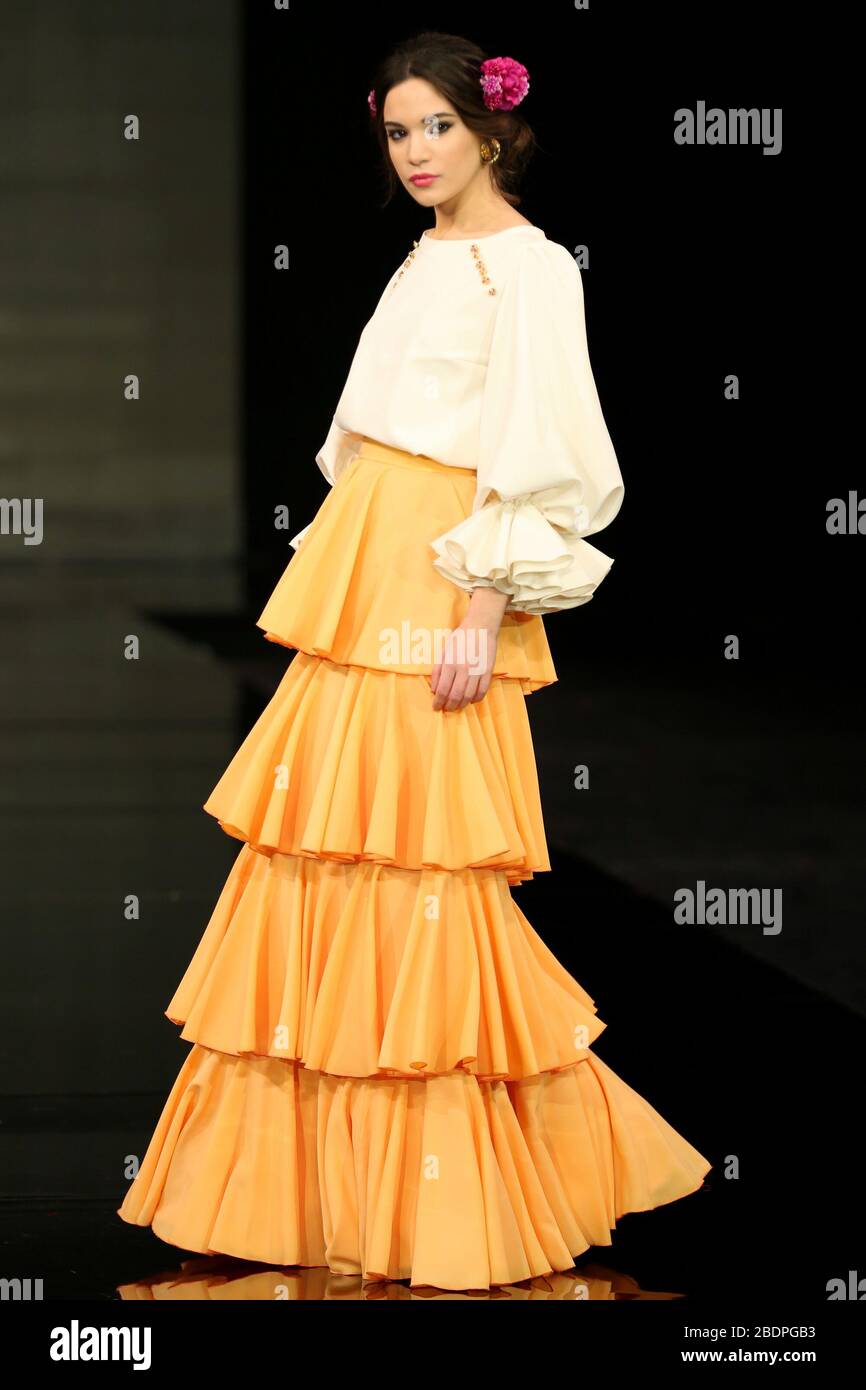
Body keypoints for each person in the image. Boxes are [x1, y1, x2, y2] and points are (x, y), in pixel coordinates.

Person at [117, 30, 712, 1292]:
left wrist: (481, 609)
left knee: (426, 871)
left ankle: (464, 1189)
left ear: (490, 129)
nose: (416, 151)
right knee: (327, 860)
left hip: (444, 577)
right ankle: (331, 1202)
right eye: (396, 132)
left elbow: (539, 445)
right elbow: (366, 438)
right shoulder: (424, 258)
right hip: (363, 569)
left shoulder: (529, 269)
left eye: (436, 125)